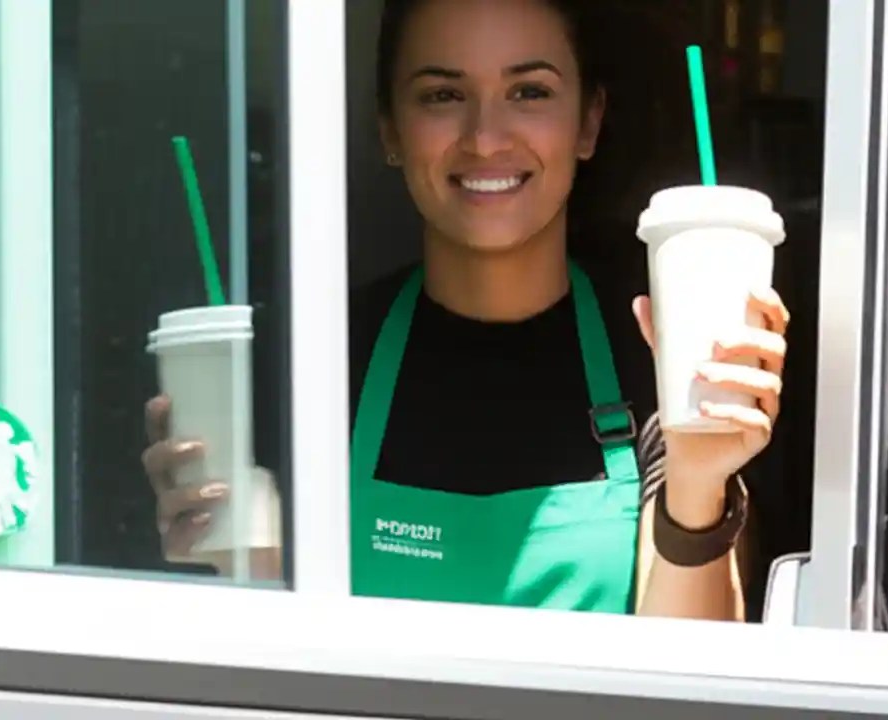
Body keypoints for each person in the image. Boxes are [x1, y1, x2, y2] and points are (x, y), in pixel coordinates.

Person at [142, 0, 790, 622]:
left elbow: (683, 686)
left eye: (529, 91)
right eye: (442, 95)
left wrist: (700, 480)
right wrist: (225, 556)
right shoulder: (313, 363)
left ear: (588, 122)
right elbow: (281, 662)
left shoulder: (661, 356)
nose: (485, 138)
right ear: (390, 129)